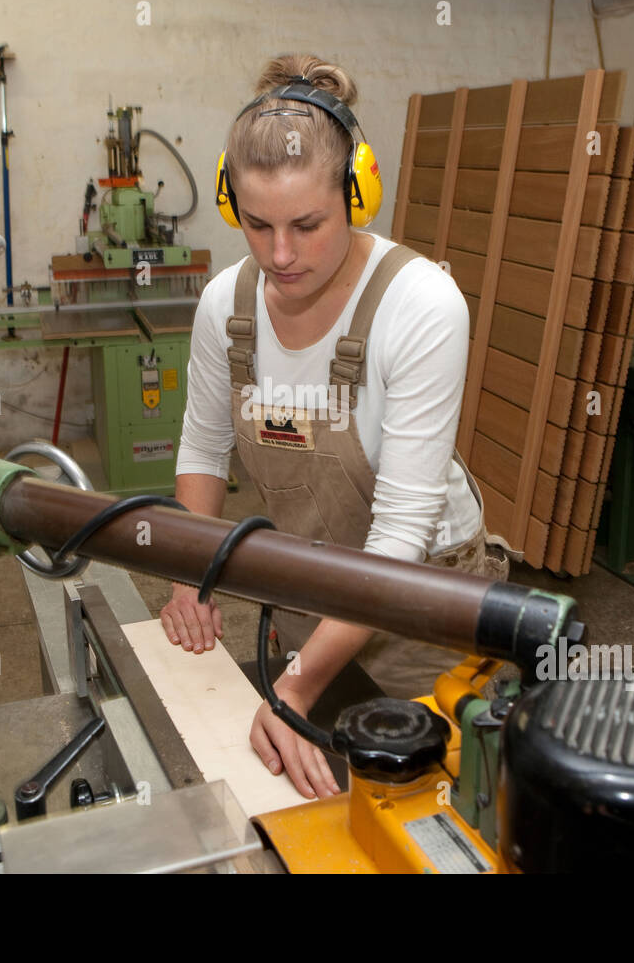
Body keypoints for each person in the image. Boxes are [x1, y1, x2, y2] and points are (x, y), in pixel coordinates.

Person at [158, 54, 511, 800]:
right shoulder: (227, 306)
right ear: (230, 204)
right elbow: (202, 447)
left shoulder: (420, 305)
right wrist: (193, 577)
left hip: (421, 604)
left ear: (357, 196)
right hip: (312, 590)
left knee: (429, 808)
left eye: (306, 225)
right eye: (256, 225)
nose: (279, 255)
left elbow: (399, 539)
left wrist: (292, 689)